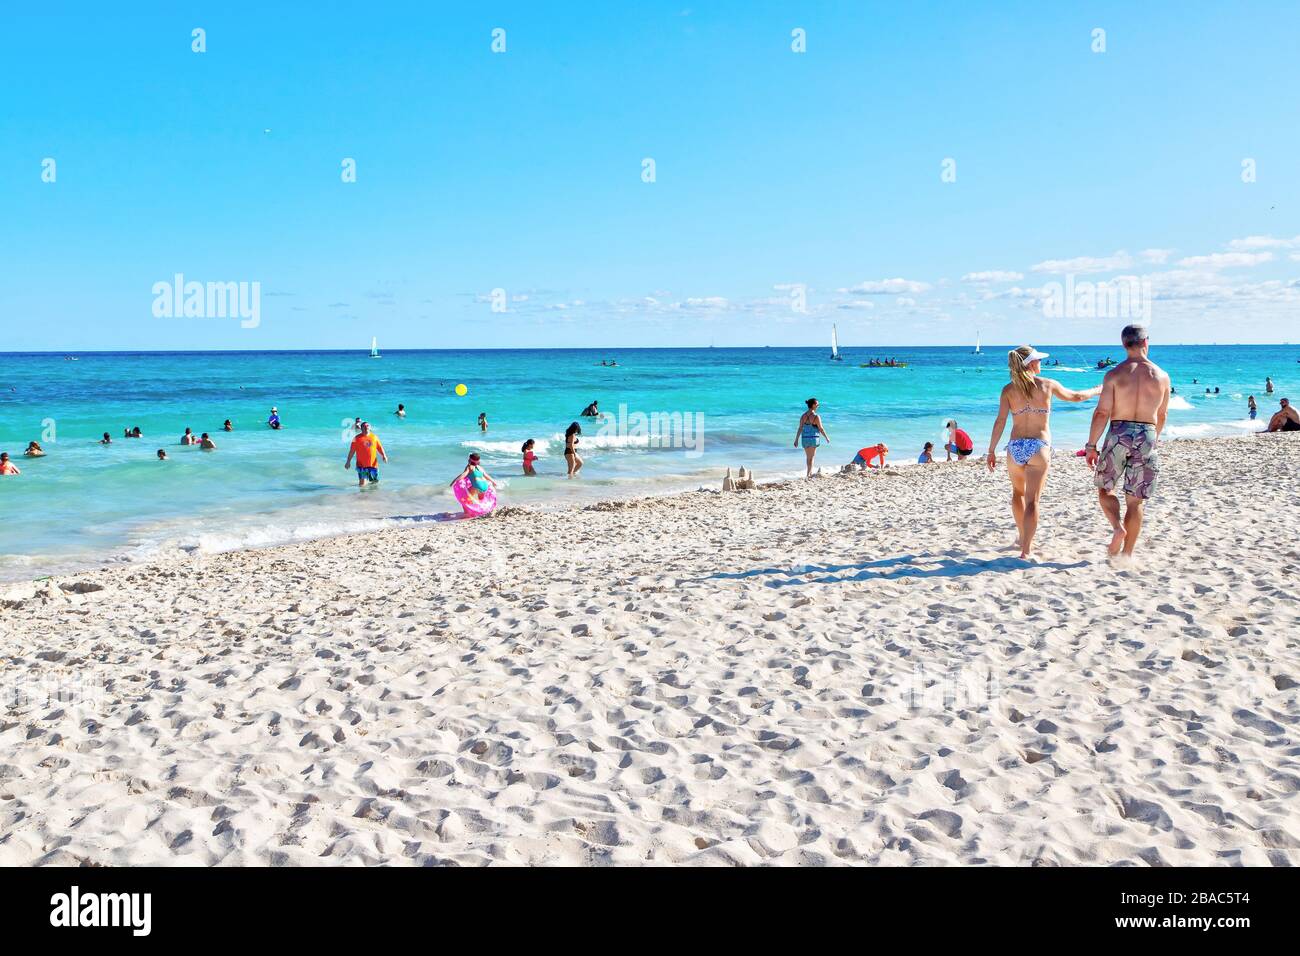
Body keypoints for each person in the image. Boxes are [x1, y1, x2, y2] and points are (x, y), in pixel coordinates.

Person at [987, 346, 1102, 559]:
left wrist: (991, 450)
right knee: (1032, 500)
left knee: (1018, 494)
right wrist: (1097, 390)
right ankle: (1026, 550)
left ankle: (1022, 537)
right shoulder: (1047, 385)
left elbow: (1000, 421)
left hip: (1015, 448)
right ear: (1031, 363)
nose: (1040, 363)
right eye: (1038, 360)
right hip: (1038, 447)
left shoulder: (1008, 390)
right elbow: (1076, 397)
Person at [1085, 325, 1171, 557]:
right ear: (1146, 343)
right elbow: (1162, 415)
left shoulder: (1114, 374)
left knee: (1105, 489)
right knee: (1136, 501)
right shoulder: (1162, 376)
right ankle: (1127, 555)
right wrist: (1154, 439)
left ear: (1124, 345)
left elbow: (1102, 412)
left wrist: (1091, 445)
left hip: (1118, 433)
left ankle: (1117, 528)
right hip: (1147, 433)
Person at [793, 398, 829, 477]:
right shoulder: (816, 416)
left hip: (805, 438)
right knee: (812, 457)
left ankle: (808, 473)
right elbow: (821, 429)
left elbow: (800, 428)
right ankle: (809, 473)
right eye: (817, 404)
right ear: (813, 405)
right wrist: (826, 437)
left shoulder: (803, 416)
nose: (818, 406)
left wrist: (796, 440)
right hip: (813, 438)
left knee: (808, 457)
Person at [345, 421, 387, 486]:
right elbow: (352, 451)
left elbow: (379, 447)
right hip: (361, 465)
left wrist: (384, 456)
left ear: (370, 428)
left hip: (373, 464)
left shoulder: (374, 437)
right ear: (361, 428)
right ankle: (362, 495)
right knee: (362, 484)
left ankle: (372, 495)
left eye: (367, 426)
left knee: (375, 482)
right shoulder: (356, 438)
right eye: (364, 426)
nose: (366, 427)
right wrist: (348, 461)